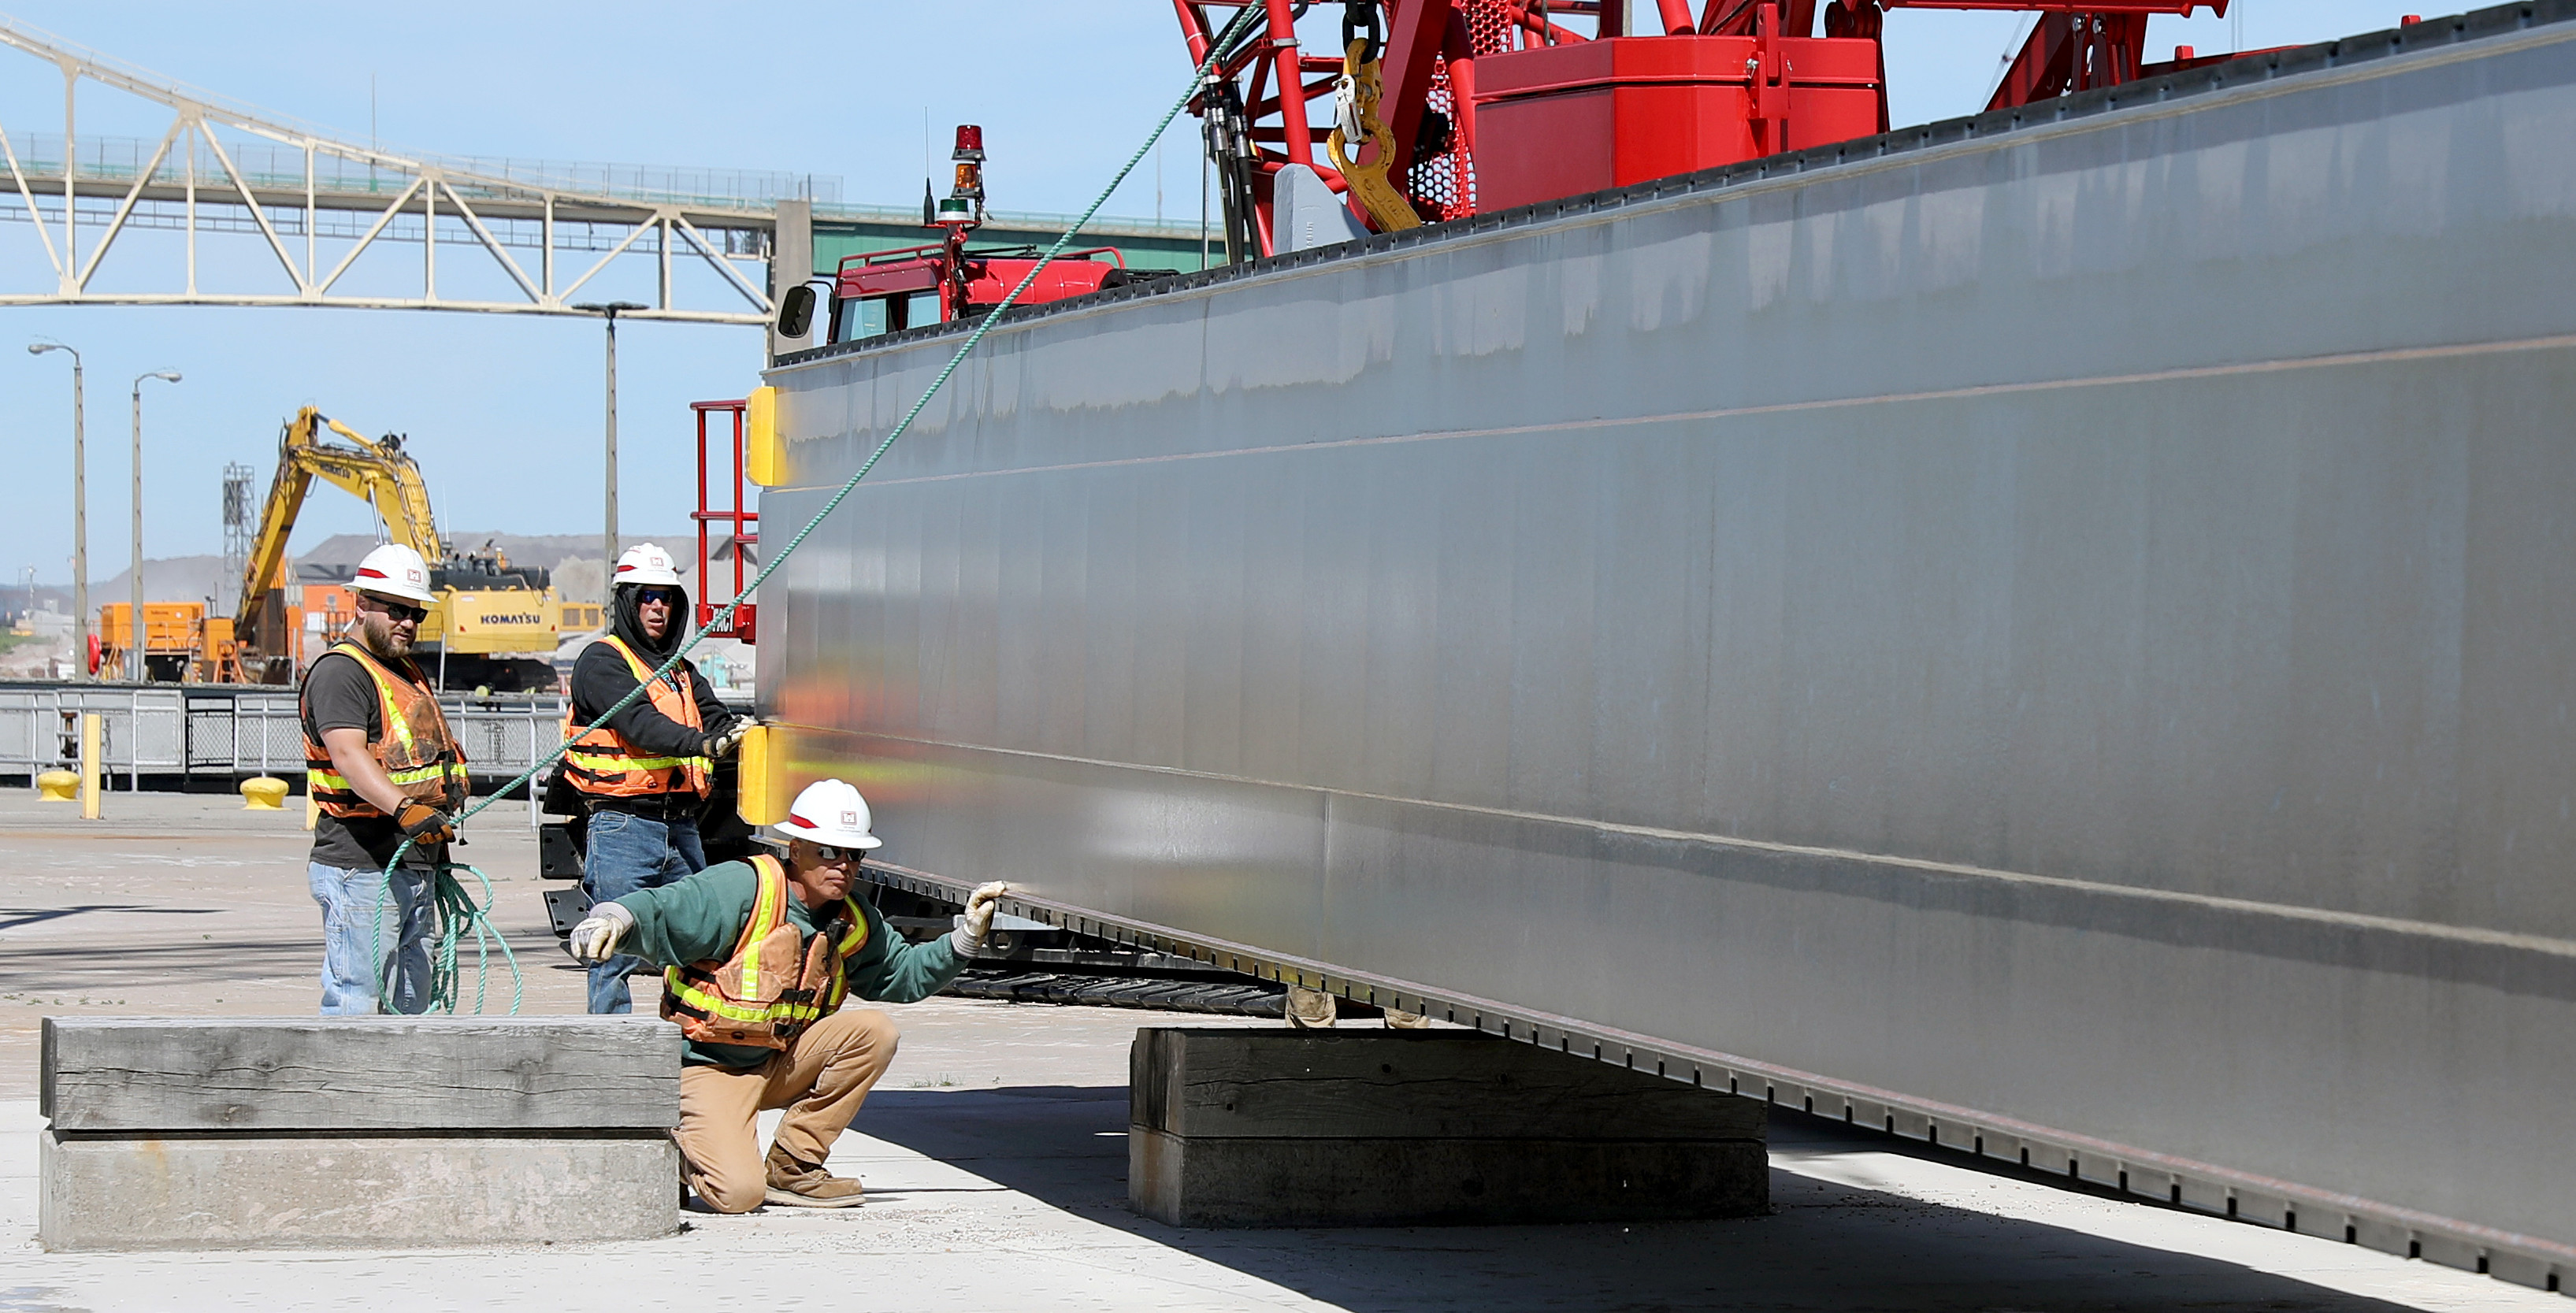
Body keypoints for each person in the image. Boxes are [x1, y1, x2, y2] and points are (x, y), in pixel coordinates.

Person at [569, 778, 1007, 1211]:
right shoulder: (744, 888)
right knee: (739, 1195)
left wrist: (965, 938)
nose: (843, 865)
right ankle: (675, 1151)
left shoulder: (854, 919)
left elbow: (903, 975)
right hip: (710, 1067)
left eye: (853, 854)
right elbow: (666, 909)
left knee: (874, 1032)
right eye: (828, 852)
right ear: (795, 850)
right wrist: (613, 918)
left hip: (780, 1060)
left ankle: (792, 1167)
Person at [562, 542, 748, 1014]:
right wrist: (702, 744)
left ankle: (696, 1034)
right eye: (646, 596)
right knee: (614, 948)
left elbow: (714, 716)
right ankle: (611, 1044)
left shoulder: (679, 671)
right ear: (627, 601)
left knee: (702, 934)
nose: (658, 607)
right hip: (623, 827)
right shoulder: (602, 662)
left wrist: (734, 735)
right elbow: (640, 723)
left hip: (682, 825)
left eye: (666, 597)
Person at [299, 543, 467, 1015]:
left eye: (416, 613)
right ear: (361, 604)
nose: (408, 623)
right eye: (396, 610)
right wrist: (405, 809)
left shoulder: (403, 671)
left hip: (414, 859)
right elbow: (348, 755)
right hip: (361, 865)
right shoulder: (341, 672)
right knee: (356, 1000)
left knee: (412, 1003)